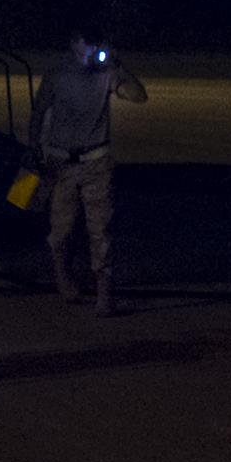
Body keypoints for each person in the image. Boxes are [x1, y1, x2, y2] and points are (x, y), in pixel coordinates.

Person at [28, 34, 147, 315]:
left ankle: (104, 293)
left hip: (96, 161)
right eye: (86, 42)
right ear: (73, 43)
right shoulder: (57, 73)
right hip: (62, 161)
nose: (92, 49)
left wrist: (119, 67)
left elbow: (139, 96)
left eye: (96, 42)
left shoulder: (106, 72)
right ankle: (63, 276)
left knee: (100, 229)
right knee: (62, 229)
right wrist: (35, 149)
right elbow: (40, 111)